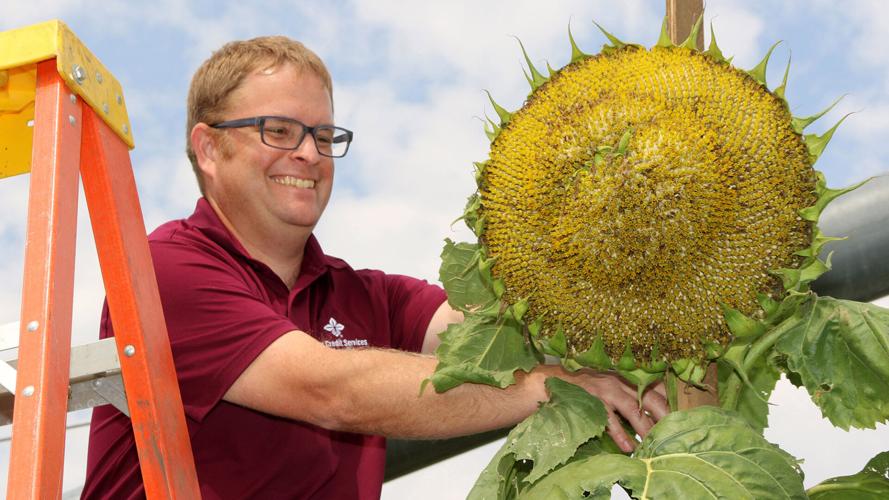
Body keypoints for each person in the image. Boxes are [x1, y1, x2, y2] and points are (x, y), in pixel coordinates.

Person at [82, 35, 668, 499]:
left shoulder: (363, 296)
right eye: (278, 131)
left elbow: (503, 328)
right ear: (209, 149)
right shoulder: (164, 271)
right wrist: (545, 387)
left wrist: (631, 255)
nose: (309, 154)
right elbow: (330, 390)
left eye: (323, 135)